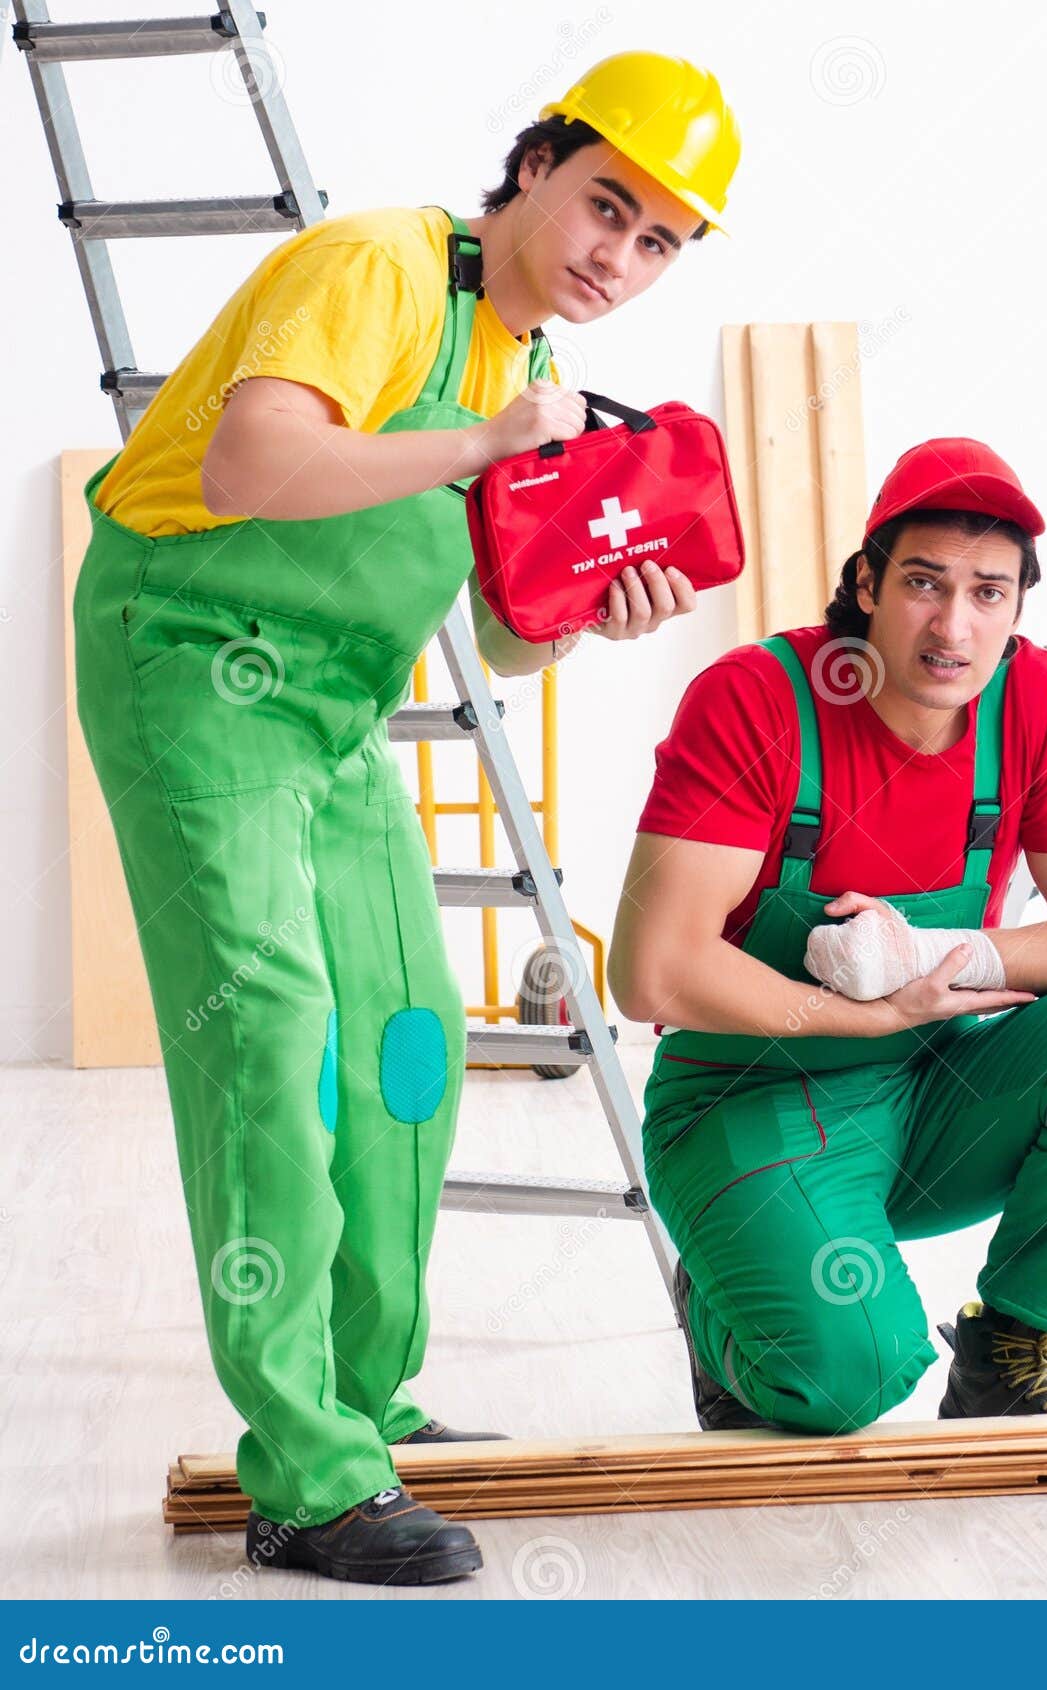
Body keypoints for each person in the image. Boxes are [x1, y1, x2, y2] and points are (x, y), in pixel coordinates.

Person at [72, 51, 739, 1586]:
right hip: (190, 661)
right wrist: (498, 444)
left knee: (408, 1041)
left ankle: (368, 1405)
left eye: (657, 244)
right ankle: (305, 1475)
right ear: (535, 166)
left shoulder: (524, 369)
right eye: (604, 206)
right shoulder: (378, 264)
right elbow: (252, 459)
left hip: (336, 709)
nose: (615, 258)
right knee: (268, 1030)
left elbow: (501, 631)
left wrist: (590, 608)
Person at [610, 436, 1047, 1437]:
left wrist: (950, 957)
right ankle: (723, 1315)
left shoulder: (1032, 700)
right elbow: (651, 972)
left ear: (1018, 605)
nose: (953, 625)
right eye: (924, 583)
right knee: (845, 1383)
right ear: (866, 583)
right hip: (748, 1096)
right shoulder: (756, 700)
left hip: (936, 1090)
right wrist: (869, 1012)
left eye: (988, 592)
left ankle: (1008, 1349)